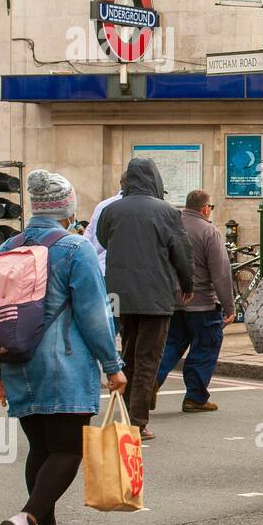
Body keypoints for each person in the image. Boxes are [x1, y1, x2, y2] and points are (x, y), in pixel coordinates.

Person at [0, 170, 126, 525]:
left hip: (17, 363)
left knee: (42, 449)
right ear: (67, 209)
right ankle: (27, 521)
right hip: (63, 364)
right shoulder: (74, 248)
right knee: (67, 450)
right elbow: (95, 315)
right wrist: (113, 367)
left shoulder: (6, 248)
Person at [96, 158, 194, 440]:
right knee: (148, 360)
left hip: (120, 295)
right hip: (155, 295)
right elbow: (182, 253)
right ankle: (137, 421)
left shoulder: (111, 210)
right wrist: (187, 284)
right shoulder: (167, 212)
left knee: (127, 353)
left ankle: (126, 414)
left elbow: (103, 241)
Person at [154, 190, 235, 413]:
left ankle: (152, 381)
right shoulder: (209, 231)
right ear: (205, 208)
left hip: (172, 302)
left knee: (171, 344)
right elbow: (220, 273)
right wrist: (229, 306)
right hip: (203, 303)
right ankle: (195, 397)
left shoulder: (169, 228)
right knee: (205, 348)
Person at [84, 174, 124, 275]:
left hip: (99, 270)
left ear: (121, 183)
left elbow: (88, 239)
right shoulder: (153, 208)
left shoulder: (103, 205)